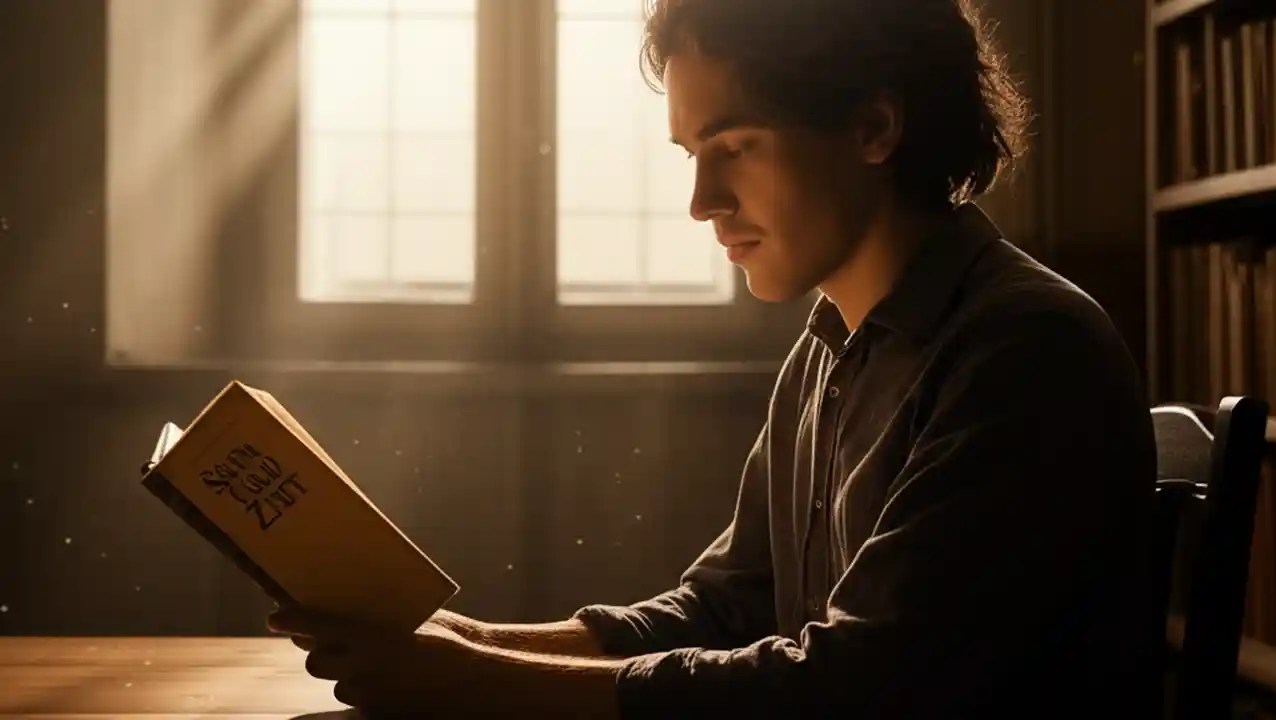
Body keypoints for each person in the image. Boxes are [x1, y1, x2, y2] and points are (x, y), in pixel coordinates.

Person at [266, 0, 1157, 716]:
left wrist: (475, 682)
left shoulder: (1025, 350)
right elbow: (727, 608)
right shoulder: (827, 349)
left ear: (875, 126)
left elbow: (863, 686)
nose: (701, 201)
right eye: (693, 155)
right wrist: (473, 642)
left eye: (733, 148)